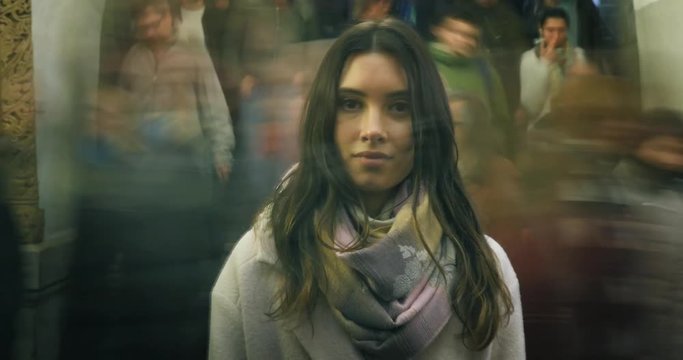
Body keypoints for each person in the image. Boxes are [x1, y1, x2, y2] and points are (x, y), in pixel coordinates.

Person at [209, 19, 525, 359]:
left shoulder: (482, 271)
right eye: (351, 104)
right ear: (325, 117)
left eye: (399, 107)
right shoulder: (260, 264)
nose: (372, 129)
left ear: (426, 126)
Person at [430, 4, 515, 157]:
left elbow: (501, 120)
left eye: (471, 36)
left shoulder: (485, 71)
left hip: (481, 161)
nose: (464, 40)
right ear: (439, 31)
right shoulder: (422, 66)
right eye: (456, 32)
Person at [519, 7, 586, 130]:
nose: (556, 36)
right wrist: (545, 65)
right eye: (550, 30)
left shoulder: (578, 55)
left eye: (561, 30)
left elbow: (584, 99)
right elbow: (531, 106)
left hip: (573, 126)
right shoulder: (528, 59)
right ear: (541, 30)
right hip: (541, 130)